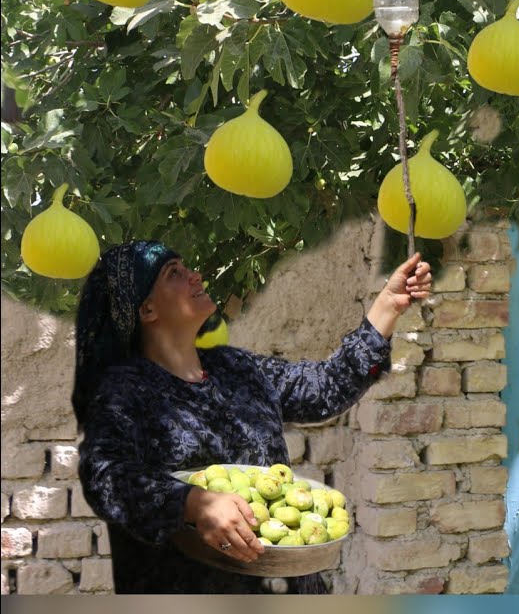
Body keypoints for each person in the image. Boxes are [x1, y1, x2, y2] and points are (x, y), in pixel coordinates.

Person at [74, 240, 432, 594]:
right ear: (147, 309)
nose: (195, 276)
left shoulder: (236, 367)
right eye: (174, 273)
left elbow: (324, 387)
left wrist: (387, 305)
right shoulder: (123, 390)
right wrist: (193, 503)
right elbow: (106, 475)